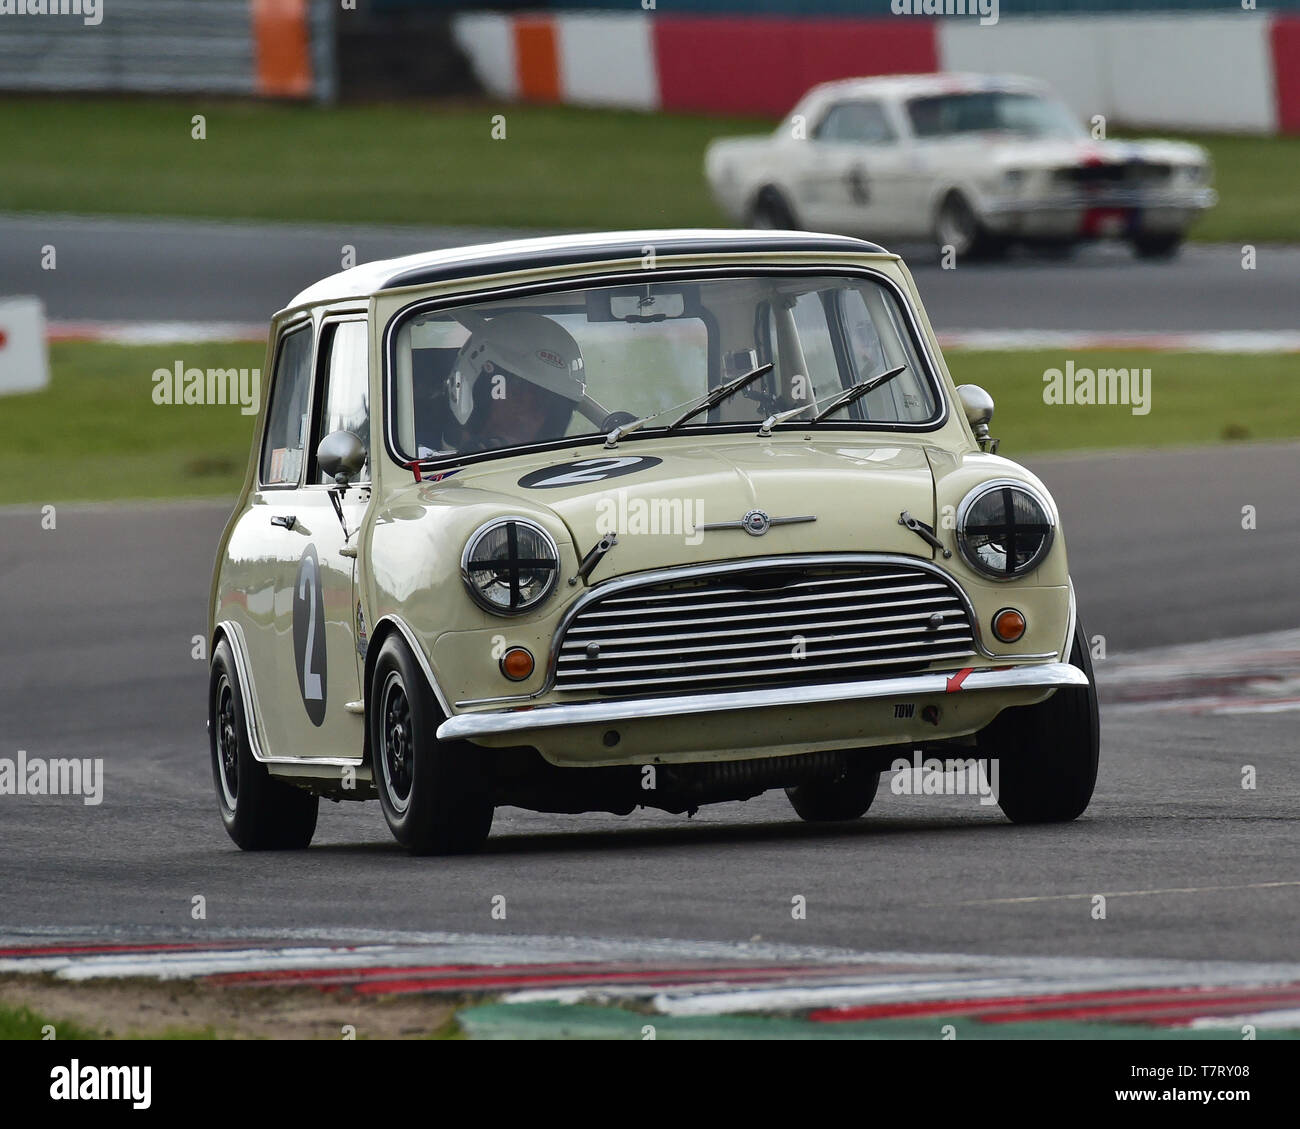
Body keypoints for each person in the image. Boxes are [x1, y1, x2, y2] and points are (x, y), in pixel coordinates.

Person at [444, 312, 586, 452]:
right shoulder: (427, 468)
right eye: (517, 391)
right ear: (480, 392)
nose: (526, 412)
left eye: (542, 402)